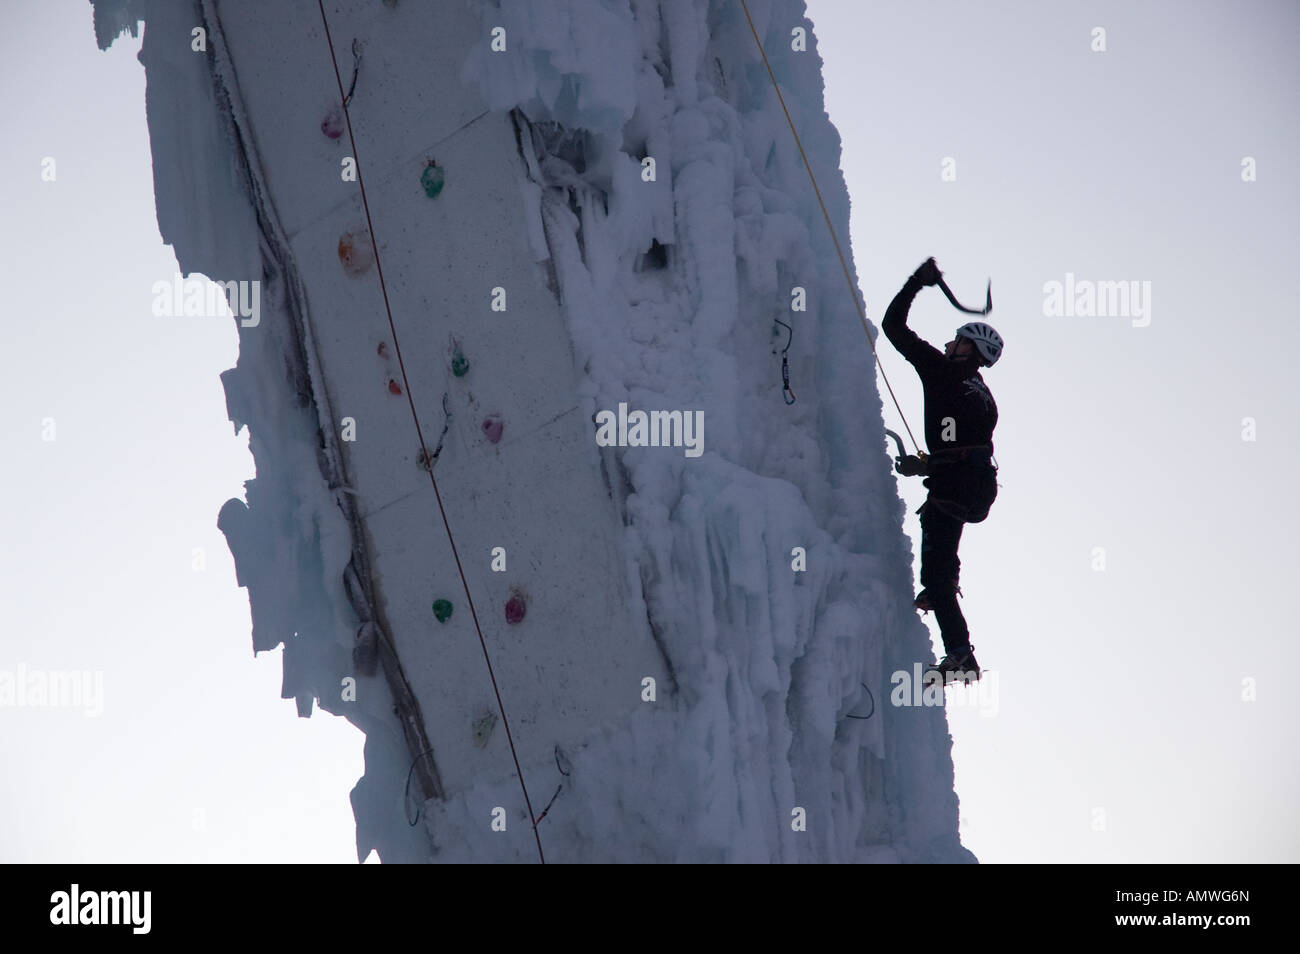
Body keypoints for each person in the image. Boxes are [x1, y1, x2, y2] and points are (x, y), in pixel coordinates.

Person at [881, 258, 1003, 683]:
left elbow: (893, 327)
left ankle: (961, 657)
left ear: (970, 350)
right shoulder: (983, 395)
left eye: (958, 339)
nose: (950, 343)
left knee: (937, 571)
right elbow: (965, 447)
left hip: (956, 485)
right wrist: (927, 464)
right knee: (942, 557)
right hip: (976, 485)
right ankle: (941, 593)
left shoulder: (944, 372)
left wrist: (917, 281)